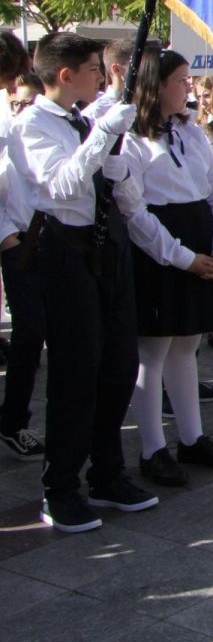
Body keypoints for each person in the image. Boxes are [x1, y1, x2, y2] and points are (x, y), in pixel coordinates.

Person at [16, 33, 155, 531]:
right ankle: (61, 488)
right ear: (64, 75)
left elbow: (111, 184)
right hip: (66, 252)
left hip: (107, 246)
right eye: (94, 68)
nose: (101, 76)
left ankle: (107, 471)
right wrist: (101, 139)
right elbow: (61, 186)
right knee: (77, 374)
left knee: (119, 366)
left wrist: (118, 169)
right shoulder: (31, 124)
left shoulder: (83, 117)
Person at [119, 48, 213, 488]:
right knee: (153, 351)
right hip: (159, 250)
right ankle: (152, 448)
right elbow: (134, 213)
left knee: (187, 345)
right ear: (155, 85)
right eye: (180, 80)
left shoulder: (189, 131)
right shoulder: (130, 139)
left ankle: (191, 437)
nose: (188, 88)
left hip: (199, 238)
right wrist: (184, 258)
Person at [0, 54, 44, 462]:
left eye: (29, 103)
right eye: (16, 102)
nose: (20, 111)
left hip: (57, 245)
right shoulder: (7, 141)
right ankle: (13, 421)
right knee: (28, 334)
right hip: (19, 248)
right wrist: (7, 238)